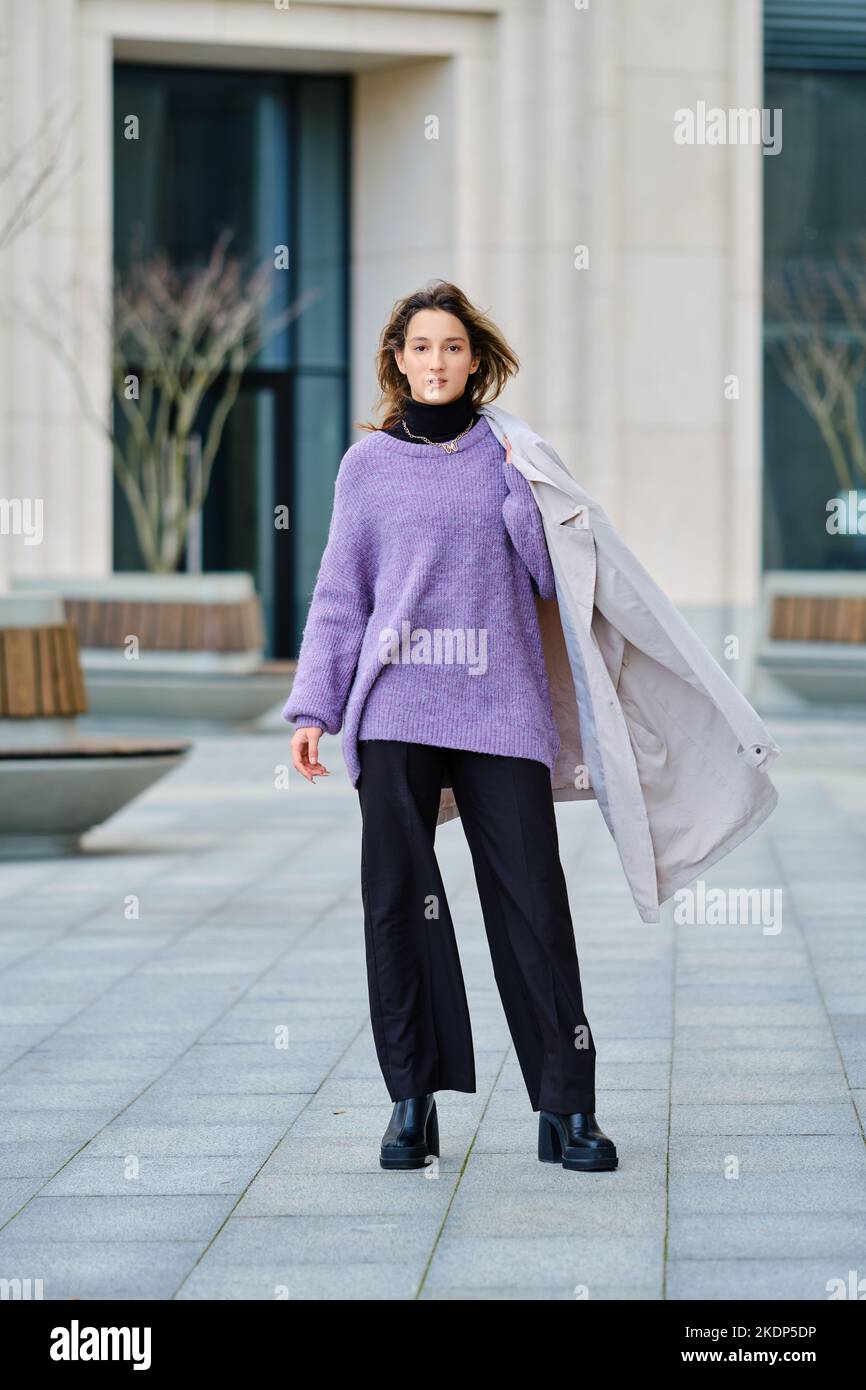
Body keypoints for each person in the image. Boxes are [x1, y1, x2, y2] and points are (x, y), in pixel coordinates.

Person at [283, 279, 617, 1175]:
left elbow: (557, 581)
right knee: (398, 900)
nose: (437, 362)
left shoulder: (514, 454)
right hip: (394, 706)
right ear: (398, 358)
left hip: (501, 704)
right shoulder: (366, 467)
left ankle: (566, 1107)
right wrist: (316, 705)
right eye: (421, 347)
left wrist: (519, 498)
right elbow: (341, 596)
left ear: (478, 361)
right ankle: (411, 1101)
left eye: (453, 348)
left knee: (534, 902)